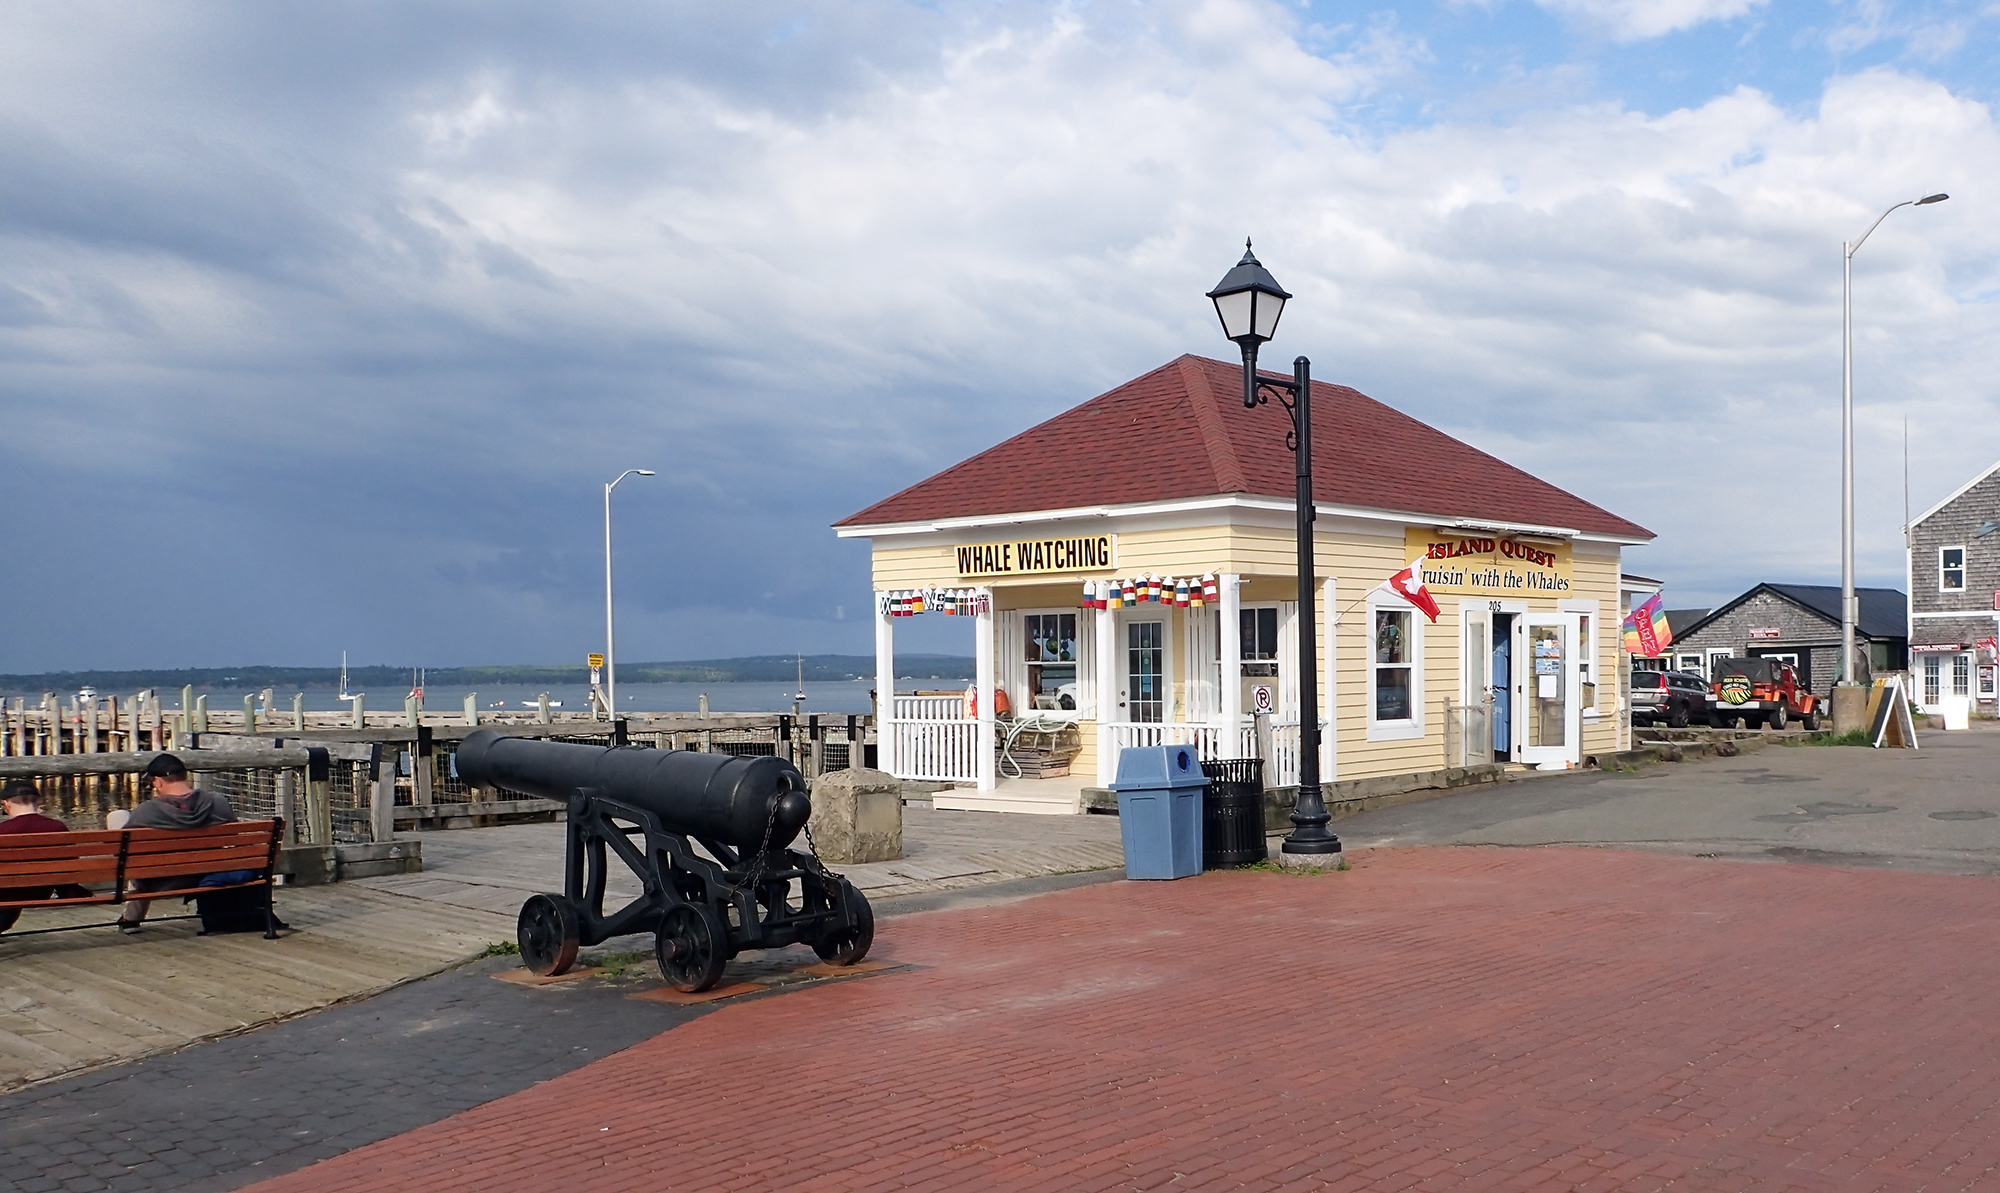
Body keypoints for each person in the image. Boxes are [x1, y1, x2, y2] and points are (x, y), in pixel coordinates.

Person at [114, 754, 237, 933]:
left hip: (160, 881)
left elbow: (122, 855)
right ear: (185, 776)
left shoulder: (147, 812)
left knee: (119, 820)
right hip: (207, 873)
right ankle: (131, 918)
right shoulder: (219, 803)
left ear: (158, 782)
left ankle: (131, 918)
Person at [0, 782, 90, 929]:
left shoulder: (2, 830)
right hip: (41, 892)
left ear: (6, 804)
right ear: (39, 801)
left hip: (6, 894)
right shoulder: (57, 827)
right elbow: (70, 864)